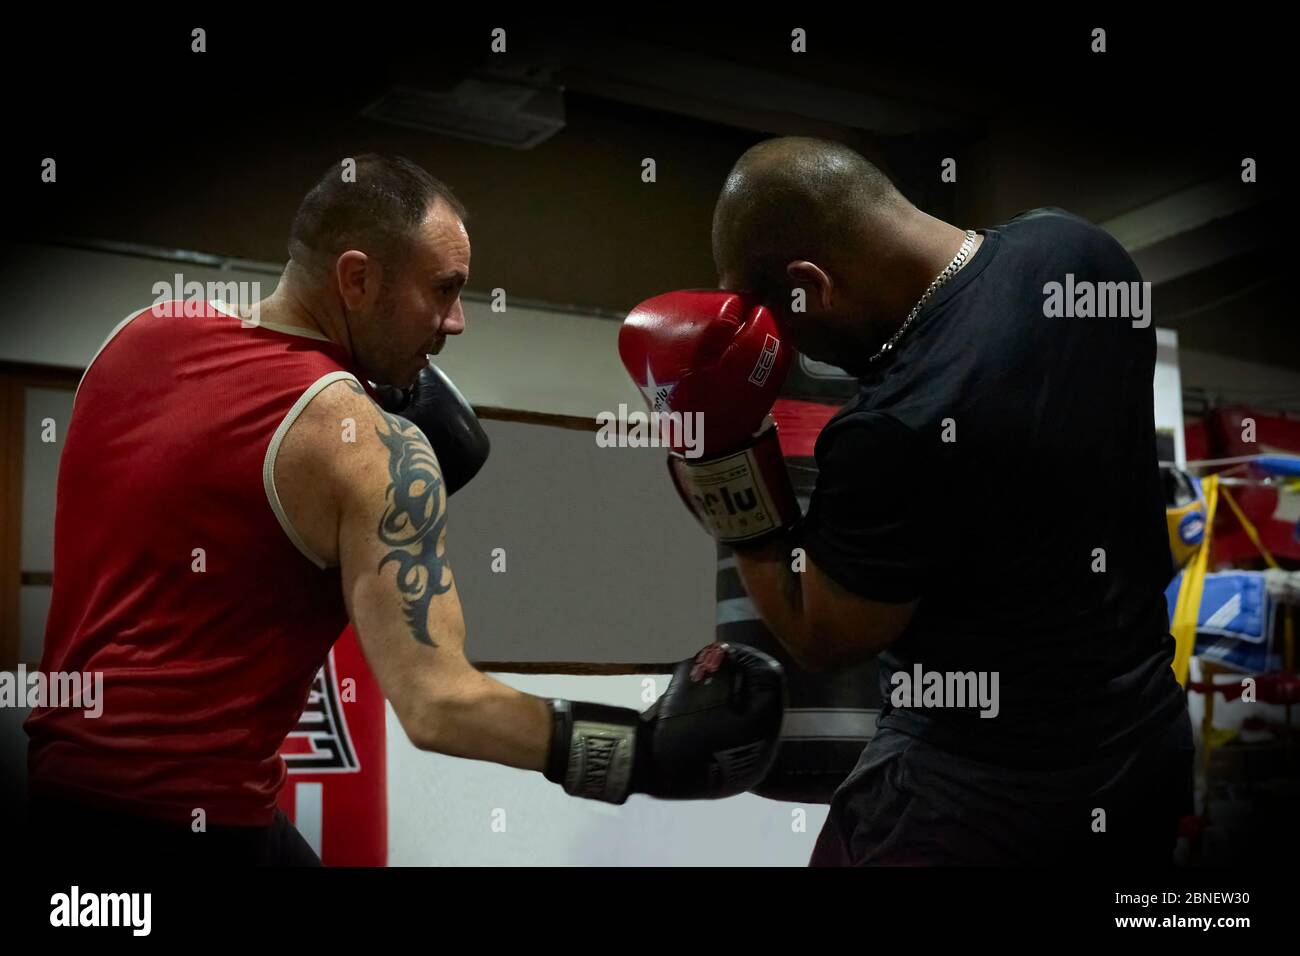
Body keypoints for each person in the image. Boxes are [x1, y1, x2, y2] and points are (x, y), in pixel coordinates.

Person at [25, 154, 784, 865]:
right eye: (445, 289)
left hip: (61, 807)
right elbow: (437, 704)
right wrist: (640, 750)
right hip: (195, 826)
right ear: (355, 279)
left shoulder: (139, 335)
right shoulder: (364, 445)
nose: (457, 322)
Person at [620, 136, 1193, 865]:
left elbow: (821, 637)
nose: (790, 352)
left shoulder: (895, 427)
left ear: (813, 284)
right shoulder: (1082, 251)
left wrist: (722, 463)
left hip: (980, 790)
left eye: (787, 327)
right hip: (1143, 744)